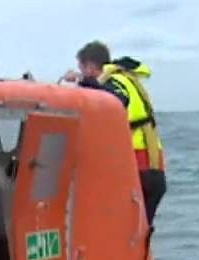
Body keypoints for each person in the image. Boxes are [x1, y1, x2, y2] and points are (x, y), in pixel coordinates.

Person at [63, 41, 166, 229]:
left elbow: (115, 100)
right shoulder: (127, 80)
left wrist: (82, 81)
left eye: (82, 68)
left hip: (140, 168)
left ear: (90, 66)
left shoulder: (115, 82)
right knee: (138, 232)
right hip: (153, 169)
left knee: (121, 228)